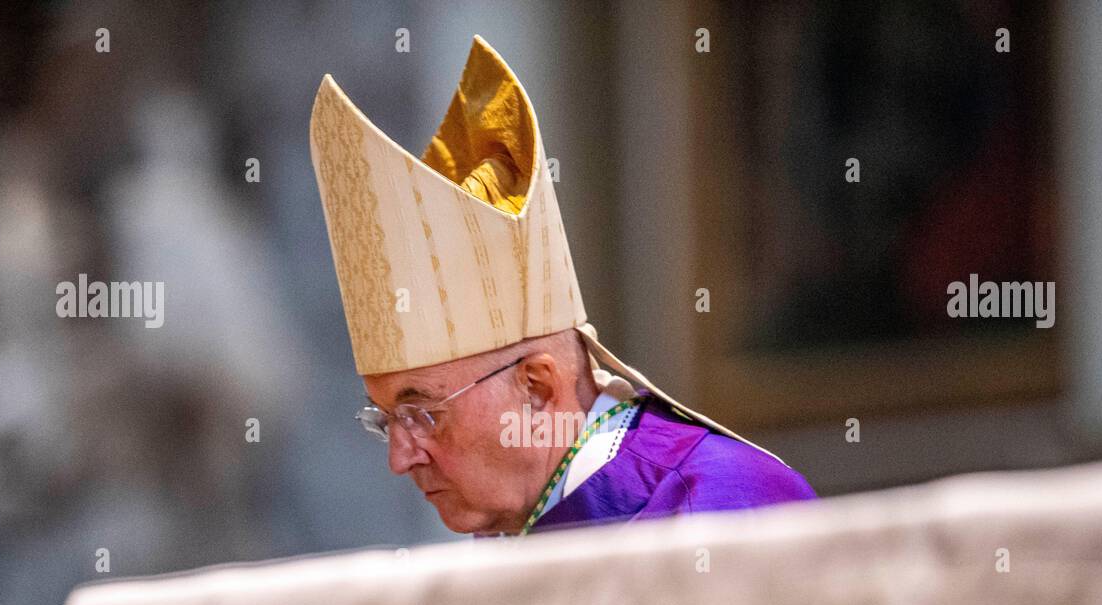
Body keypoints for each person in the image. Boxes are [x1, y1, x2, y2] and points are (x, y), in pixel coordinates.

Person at [310, 35, 814, 537]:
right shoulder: (507, 535)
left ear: (537, 386)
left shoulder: (721, 507)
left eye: (421, 413)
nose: (400, 458)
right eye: (385, 420)